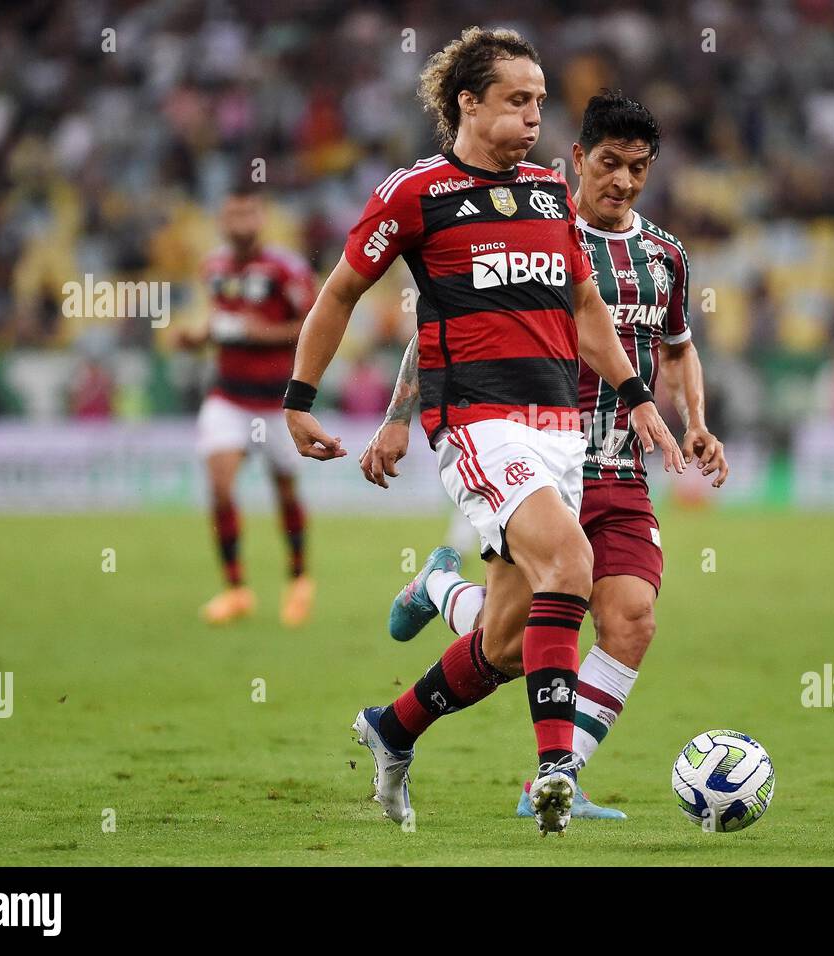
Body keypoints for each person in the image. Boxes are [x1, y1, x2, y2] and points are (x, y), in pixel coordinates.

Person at [281, 29, 683, 834]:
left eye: (540, 100)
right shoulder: (415, 193)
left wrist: (638, 393)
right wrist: (300, 397)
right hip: (477, 424)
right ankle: (554, 772)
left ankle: (391, 727)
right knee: (572, 563)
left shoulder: (545, 195)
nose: (536, 116)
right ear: (468, 101)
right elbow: (339, 295)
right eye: (518, 100)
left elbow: (582, 309)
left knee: (504, 645)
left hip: (560, 433)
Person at [362, 91, 728, 821]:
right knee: (504, 650)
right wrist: (399, 415)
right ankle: (437, 605)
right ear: (579, 161)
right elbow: (441, 329)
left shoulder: (665, 257)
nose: (623, 181)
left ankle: (554, 780)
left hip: (620, 470)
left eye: (639, 169)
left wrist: (697, 420)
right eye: (611, 164)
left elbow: (681, 348)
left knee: (629, 619)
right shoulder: (533, 222)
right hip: (533, 457)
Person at [176, 186, 317, 627]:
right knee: (219, 487)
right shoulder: (213, 267)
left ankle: (298, 580)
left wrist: (267, 335)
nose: (239, 223)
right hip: (228, 396)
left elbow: (315, 326)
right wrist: (197, 338)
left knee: (285, 490)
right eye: (232, 214)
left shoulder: (285, 269)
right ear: (222, 219)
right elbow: (224, 322)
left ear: (261, 218)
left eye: (247, 214)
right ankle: (235, 588)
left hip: (278, 401)